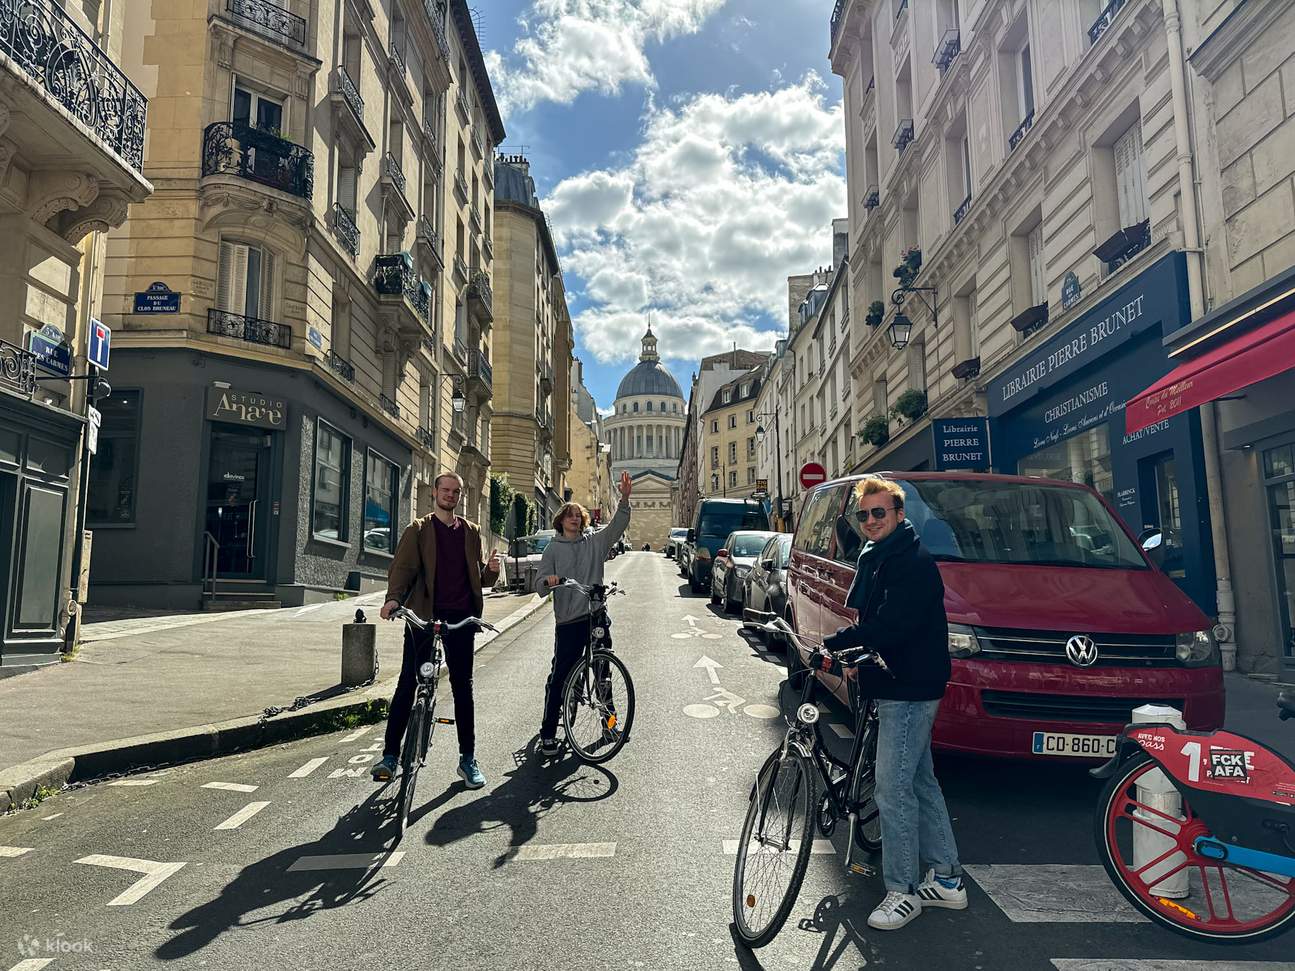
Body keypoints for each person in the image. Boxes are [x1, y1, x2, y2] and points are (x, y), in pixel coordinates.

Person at [821, 476, 965, 931]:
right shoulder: (881, 558)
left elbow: (888, 627)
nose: (869, 521)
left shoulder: (910, 562)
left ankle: (902, 892)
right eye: (863, 515)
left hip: (908, 687)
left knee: (892, 788)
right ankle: (947, 880)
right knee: (920, 781)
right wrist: (848, 653)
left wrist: (835, 645)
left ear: (899, 515)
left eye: (878, 513)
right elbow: (880, 625)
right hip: (901, 681)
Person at [371, 472, 500, 789]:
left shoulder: (471, 532)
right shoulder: (418, 529)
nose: (451, 495)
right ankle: (390, 756)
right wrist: (392, 600)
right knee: (408, 683)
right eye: (445, 490)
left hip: (460, 620)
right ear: (435, 494)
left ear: (460, 497)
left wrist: (491, 573)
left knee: (462, 689)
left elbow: (476, 577)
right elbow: (402, 569)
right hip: (424, 617)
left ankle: (468, 759)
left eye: (456, 491)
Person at [534, 471, 633, 756]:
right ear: (561, 521)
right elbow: (540, 583)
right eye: (570, 516)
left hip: (596, 616)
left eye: (579, 516)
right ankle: (548, 733)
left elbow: (617, 525)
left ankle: (610, 724)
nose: (576, 519)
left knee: (604, 674)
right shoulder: (553, 549)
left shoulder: (595, 543)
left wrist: (625, 497)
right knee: (561, 675)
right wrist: (549, 581)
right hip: (569, 621)